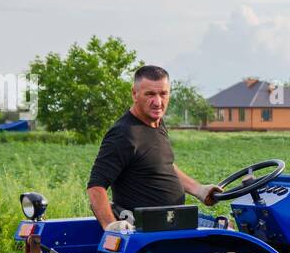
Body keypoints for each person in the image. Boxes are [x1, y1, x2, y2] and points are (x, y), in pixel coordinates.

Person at [87, 65, 221, 231]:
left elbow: (163, 166)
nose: (158, 102)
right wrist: (110, 225)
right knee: (227, 236)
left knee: (225, 225)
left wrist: (199, 190)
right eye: (150, 94)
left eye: (163, 94)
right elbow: (95, 187)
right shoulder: (124, 134)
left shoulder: (156, 123)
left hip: (173, 219)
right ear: (134, 94)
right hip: (150, 228)